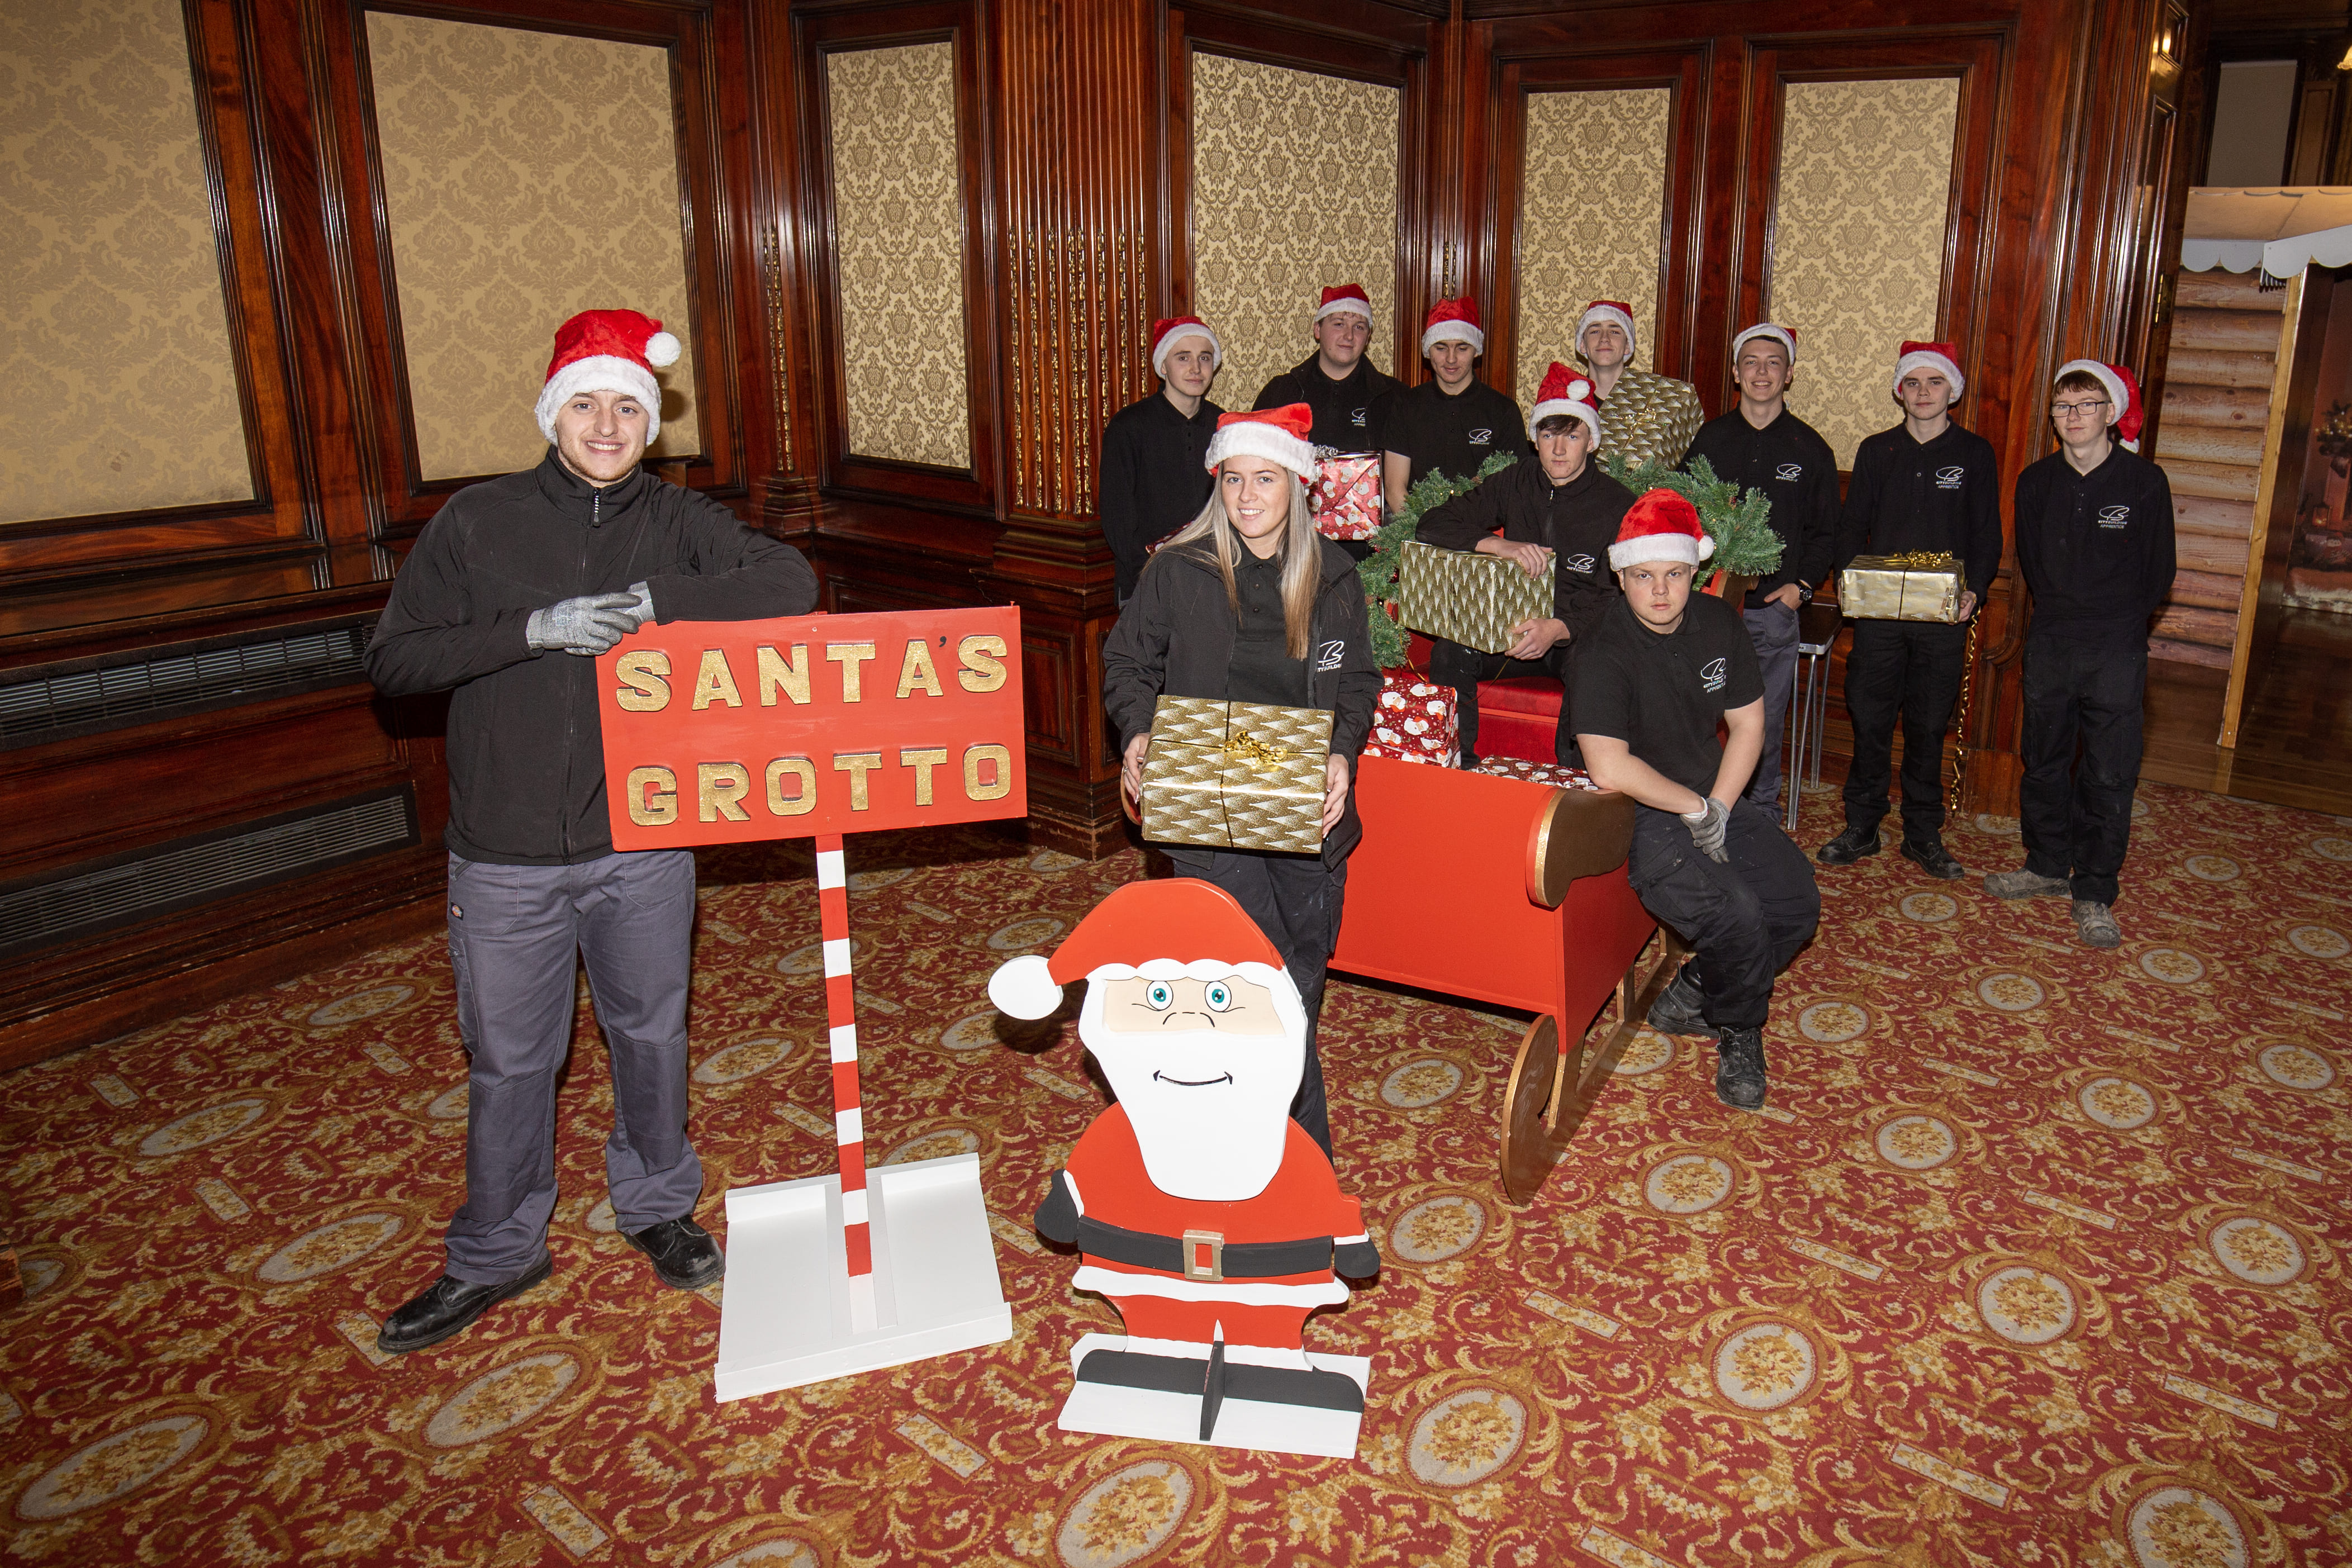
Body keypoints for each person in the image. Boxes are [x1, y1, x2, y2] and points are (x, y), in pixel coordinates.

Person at [364, 308, 819, 1353]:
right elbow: (395, 660)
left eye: (628, 406)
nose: (607, 424)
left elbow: (786, 583)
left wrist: (655, 602)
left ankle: (657, 1204)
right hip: (507, 845)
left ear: (649, 422)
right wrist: (532, 630)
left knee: (649, 1034)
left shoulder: (674, 516)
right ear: (552, 413)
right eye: (587, 403)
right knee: (512, 1059)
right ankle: (496, 1249)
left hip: (644, 836)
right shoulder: (477, 521)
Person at [988, 880, 1378, 1439]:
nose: (1184, 1027)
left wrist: (1346, 1237)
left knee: (1264, 1320)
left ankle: (1271, 1362)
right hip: (1149, 1257)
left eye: (1219, 998)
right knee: (1156, 1310)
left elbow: (1310, 1183)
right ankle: (1155, 1351)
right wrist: (1071, 1198)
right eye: (1158, 1000)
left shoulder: (1278, 1140)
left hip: (1262, 1268)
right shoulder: (1124, 1130)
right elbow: (1093, 1169)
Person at [1103, 404, 1382, 1157]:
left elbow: (1356, 681)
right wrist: (1138, 729)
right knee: (1262, 980)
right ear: (1216, 484)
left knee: (1301, 973)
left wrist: (1341, 753)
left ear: (1295, 484)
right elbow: (1127, 664)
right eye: (1234, 480)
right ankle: (1300, 1159)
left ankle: (1253, 1132)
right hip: (1205, 796)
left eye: (1265, 478)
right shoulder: (1176, 569)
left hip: (1302, 798)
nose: (1248, 495)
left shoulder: (1333, 574)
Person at [1572, 491, 1820, 1109]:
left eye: (1675, 574)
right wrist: (1693, 807)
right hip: (1632, 807)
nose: (1660, 591)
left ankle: (1697, 991)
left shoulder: (1718, 622)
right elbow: (1609, 765)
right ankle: (1740, 1029)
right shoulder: (1602, 647)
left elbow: (1749, 725)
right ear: (1621, 574)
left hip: (1711, 796)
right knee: (1734, 910)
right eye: (1644, 576)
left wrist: (1721, 806)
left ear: (1695, 572)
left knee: (1795, 901)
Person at [1985, 360, 2174, 949]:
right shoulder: (2037, 481)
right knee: (2042, 759)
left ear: (2111, 414)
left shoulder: (2144, 483)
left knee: (2108, 771)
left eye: (2086, 405)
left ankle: (2094, 888)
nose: (2074, 417)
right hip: (2053, 641)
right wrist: (2063, 614)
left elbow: (2157, 572)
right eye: (2063, 407)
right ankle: (2044, 863)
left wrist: (2115, 623)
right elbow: (2034, 564)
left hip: (2115, 647)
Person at [1819, 340, 2002, 880]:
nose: (1924, 393)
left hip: (1942, 617)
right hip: (1878, 619)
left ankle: (1923, 832)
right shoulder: (1878, 451)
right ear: (1900, 391)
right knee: (1870, 721)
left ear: (1953, 392)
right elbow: (1851, 527)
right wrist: (1850, 582)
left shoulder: (1974, 454)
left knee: (1926, 725)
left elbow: (1986, 534)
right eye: (1914, 383)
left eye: (1935, 383)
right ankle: (1863, 824)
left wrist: (1977, 589)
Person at [1415, 363, 1631, 766]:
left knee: (1593, 667)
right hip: (1511, 626)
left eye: (1572, 435)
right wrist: (1497, 545)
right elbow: (1432, 524)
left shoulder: (1617, 503)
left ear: (1591, 441)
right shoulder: (1516, 481)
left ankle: (1574, 782)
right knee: (1449, 652)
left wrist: (1559, 628)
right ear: (1535, 439)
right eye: (1548, 435)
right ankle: (1458, 764)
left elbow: (1618, 597)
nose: (1559, 449)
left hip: (1577, 636)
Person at [1682, 323, 1838, 811]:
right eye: (1751, 362)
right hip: (1705, 610)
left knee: (1763, 720)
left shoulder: (1810, 449)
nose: (1762, 372)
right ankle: (1693, 807)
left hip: (1771, 612)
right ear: (1735, 372)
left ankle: (1759, 815)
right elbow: (1682, 515)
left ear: (1789, 374)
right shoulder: (1710, 440)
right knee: (1692, 715)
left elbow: (1825, 533)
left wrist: (1802, 588)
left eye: (1773, 363)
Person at [1099, 316, 1223, 604]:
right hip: (1145, 587)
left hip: (1213, 584)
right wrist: (1153, 579)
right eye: (1183, 358)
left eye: (1204, 358)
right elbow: (1118, 518)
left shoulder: (1224, 426)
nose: (1196, 368)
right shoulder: (1128, 427)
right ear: (1163, 366)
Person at [1377, 297, 1526, 514]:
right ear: (1428, 351)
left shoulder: (1504, 411)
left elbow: (1515, 489)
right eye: (1441, 348)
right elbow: (1394, 489)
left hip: (1484, 536)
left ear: (1476, 350)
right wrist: (1427, 533)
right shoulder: (1406, 406)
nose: (1451, 359)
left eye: (1462, 348)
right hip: (1419, 534)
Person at [1253, 284, 1400, 454]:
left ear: (1368, 337)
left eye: (1359, 327)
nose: (1349, 335)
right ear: (1318, 330)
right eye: (1339, 324)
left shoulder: (1393, 398)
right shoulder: (1280, 392)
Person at [1574, 300, 1703, 469]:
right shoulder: (1568, 403)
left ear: (1628, 346)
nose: (1604, 339)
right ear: (1582, 345)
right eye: (1595, 331)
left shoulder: (1663, 399)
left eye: (1614, 331)